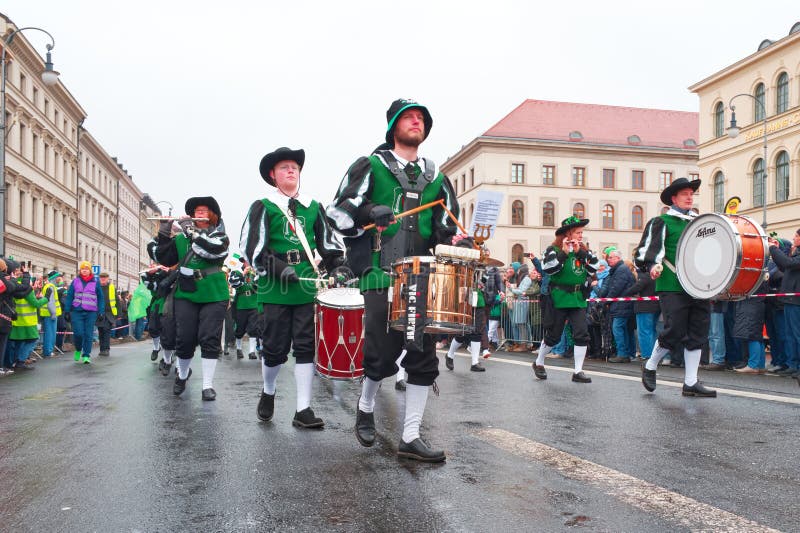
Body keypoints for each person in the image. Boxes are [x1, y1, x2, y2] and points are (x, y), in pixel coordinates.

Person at [327, 99, 459, 462]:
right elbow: (337, 213)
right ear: (393, 127)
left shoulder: (438, 179)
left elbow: (445, 229)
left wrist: (454, 242)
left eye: (421, 118)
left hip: (424, 278)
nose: (416, 122)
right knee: (381, 354)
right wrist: (370, 210)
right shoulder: (369, 166)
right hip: (378, 274)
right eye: (409, 117)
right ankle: (366, 404)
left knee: (421, 355)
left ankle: (411, 436)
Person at [241, 147, 346, 427]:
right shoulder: (263, 205)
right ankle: (269, 390)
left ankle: (303, 409)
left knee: (304, 346)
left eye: (295, 167)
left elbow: (328, 243)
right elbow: (251, 247)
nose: (291, 170)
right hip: (276, 286)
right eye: (284, 167)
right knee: (275, 349)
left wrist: (338, 266)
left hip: (307, 287)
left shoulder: (313, 206)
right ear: (273, 176)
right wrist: (277, 268)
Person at [634, 177, 716, 397]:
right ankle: (650, 365)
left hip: (698, 285)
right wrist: (652, 266)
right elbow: (645, 252)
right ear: (673, 198)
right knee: (675, 329)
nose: (690, 197)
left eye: (692, 193)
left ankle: (691, 382)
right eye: (685, 194)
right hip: (671, 283)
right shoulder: (661, 222)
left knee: (698, 331)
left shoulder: (699, 223)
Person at [153, 197, 229, 400]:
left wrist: (191, 231)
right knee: (184, 339)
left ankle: (207, 385)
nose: (200, 213)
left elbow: (212, 251)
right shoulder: (181, 239)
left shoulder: (219, 235)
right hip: (186, 292)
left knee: (209, 338)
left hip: (213, 293)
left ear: (212, 215)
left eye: (204, 210)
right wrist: (163, 232)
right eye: (197, 210)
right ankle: (183, 374)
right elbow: (164, 259)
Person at [532, 216, 599, 382]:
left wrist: (580, 253)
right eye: (578, 232)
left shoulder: (584, 250)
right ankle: (539, 362)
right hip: (559, 297)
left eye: (582, 232)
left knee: (581, 333)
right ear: (568, 233)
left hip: (577, 298)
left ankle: (578, 371)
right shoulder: (552, 250)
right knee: (553, 335)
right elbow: (549, 269)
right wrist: (564, 253)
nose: (581, 235)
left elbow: (594, 268)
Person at [444, 236, 487, 372]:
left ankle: (475, 362)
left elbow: (483, 276)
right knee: (462, 332)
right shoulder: (453, 262)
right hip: (461, 297)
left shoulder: (475, 262)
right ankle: (450, 355)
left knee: (477, 331)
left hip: (476, 298)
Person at [767, 228, 800, 382]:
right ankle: (792, 364)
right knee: (790, 335)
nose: (794, 238)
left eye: (796, 236)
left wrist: (773, 248)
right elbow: (784, 267)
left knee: (796, 335)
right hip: (789, 300)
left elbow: (788, 263)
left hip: (796, 301)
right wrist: (776, 251)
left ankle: (797, 365)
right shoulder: (795, 253)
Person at [596, 250, 636, 363]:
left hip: (622, 305)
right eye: (609, 257)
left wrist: (606, 302)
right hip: (621, 305)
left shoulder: (621, 270)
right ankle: (627, 353)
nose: (609, 259)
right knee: (624, 329)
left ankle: (622, 354)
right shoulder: (619, 270)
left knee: (617, 328)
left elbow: (616, 288)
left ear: (618, 258)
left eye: (611, 257)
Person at [65, 261, 105, 364]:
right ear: (80, 270)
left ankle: (86, 355)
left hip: (90, 312)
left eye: (86, 269)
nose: (84, 270)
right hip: (76, 311)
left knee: (88, 334)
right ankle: (78, 349)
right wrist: (67, 311)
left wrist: (101, 312)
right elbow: (69, 296)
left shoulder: (95, 283)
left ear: (90, 271)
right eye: (83, 269)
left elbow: (100, 298)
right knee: (78, 334)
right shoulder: (75, 281)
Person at [624, 265, 659, 362]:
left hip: (644, 308)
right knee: (652, 332)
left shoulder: (646, 276)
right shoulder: (658, 276)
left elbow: (634, 289)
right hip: (656, 307)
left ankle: (647, 355)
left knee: (644, 332)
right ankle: (654, 356)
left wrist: (628, 292)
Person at [229, 267, 260, 360]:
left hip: (254, 305)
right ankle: (239, 349)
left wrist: (255, 274)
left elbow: (261, 285)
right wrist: (243, 273)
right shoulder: (237, 273)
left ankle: (252, 352)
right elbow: (234, 283)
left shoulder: (256, 273)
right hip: (241, 306)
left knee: (253, 329)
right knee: (240, 329)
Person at [39, 270, 63, 358]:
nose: (59, 279)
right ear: (54, 278)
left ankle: (48, 351)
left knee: (48, 333)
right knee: (50, 333)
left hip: (47, 313)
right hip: (50, 314)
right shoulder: (51, 286)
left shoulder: (48, 286)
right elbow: (51, 302)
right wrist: (53, 313)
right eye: (58, 277)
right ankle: (48, 351)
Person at [95, 273, 118, 357]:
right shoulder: (96, 287)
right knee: (100, 331)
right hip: (99, 313)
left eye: (105, 277)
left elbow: (116, 300)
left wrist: (118, 314)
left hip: (109, 313)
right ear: (99, 278)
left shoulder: (111, 287)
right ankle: (102, 349)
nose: (103, 279)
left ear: (108, 278)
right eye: (101, 277)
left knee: (106, 330)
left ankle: (106, 349)